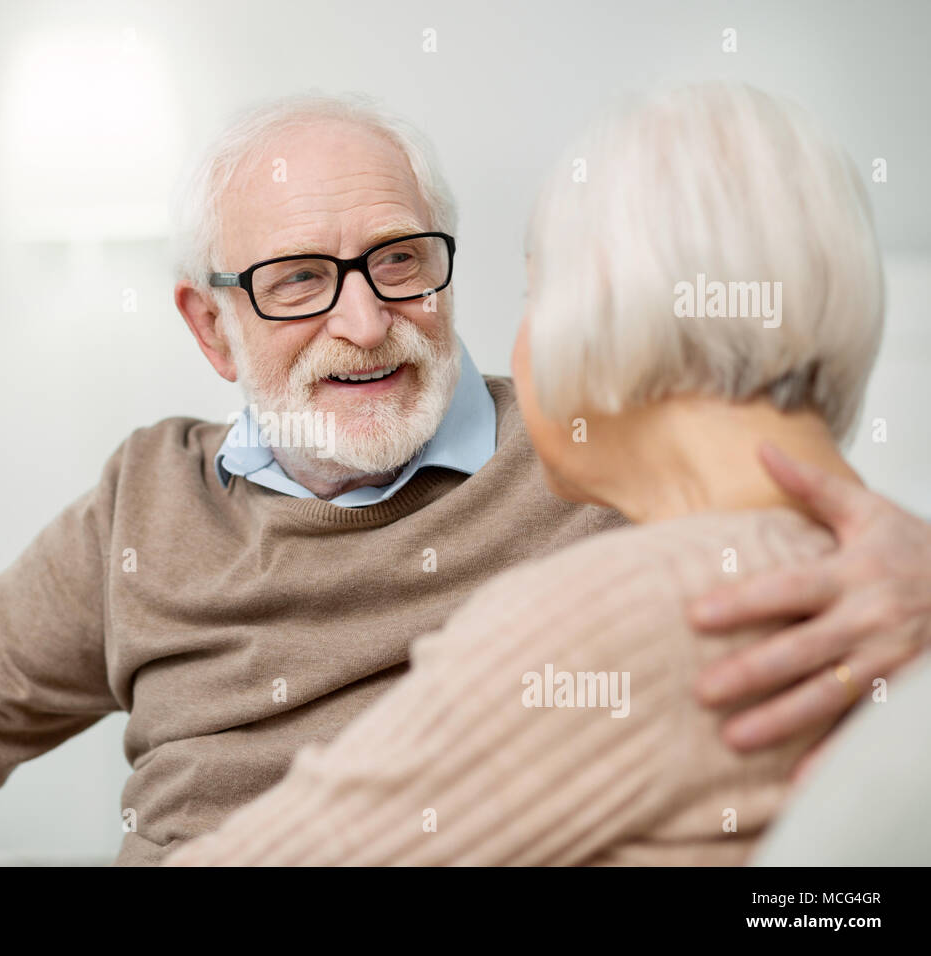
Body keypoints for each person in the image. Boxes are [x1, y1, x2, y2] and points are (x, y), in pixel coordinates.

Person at [0, 91, 928, 866]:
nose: (366, 324)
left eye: (402, 262)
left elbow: (790, 532)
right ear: (212, 328)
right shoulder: (146, 502)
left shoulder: (598, 456)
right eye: (299, 282)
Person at [164, 82, 923, 865]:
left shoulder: (614, 621)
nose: (364, 324)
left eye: (537, 296)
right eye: (300, 280)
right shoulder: (890, 588)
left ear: (601, 317)